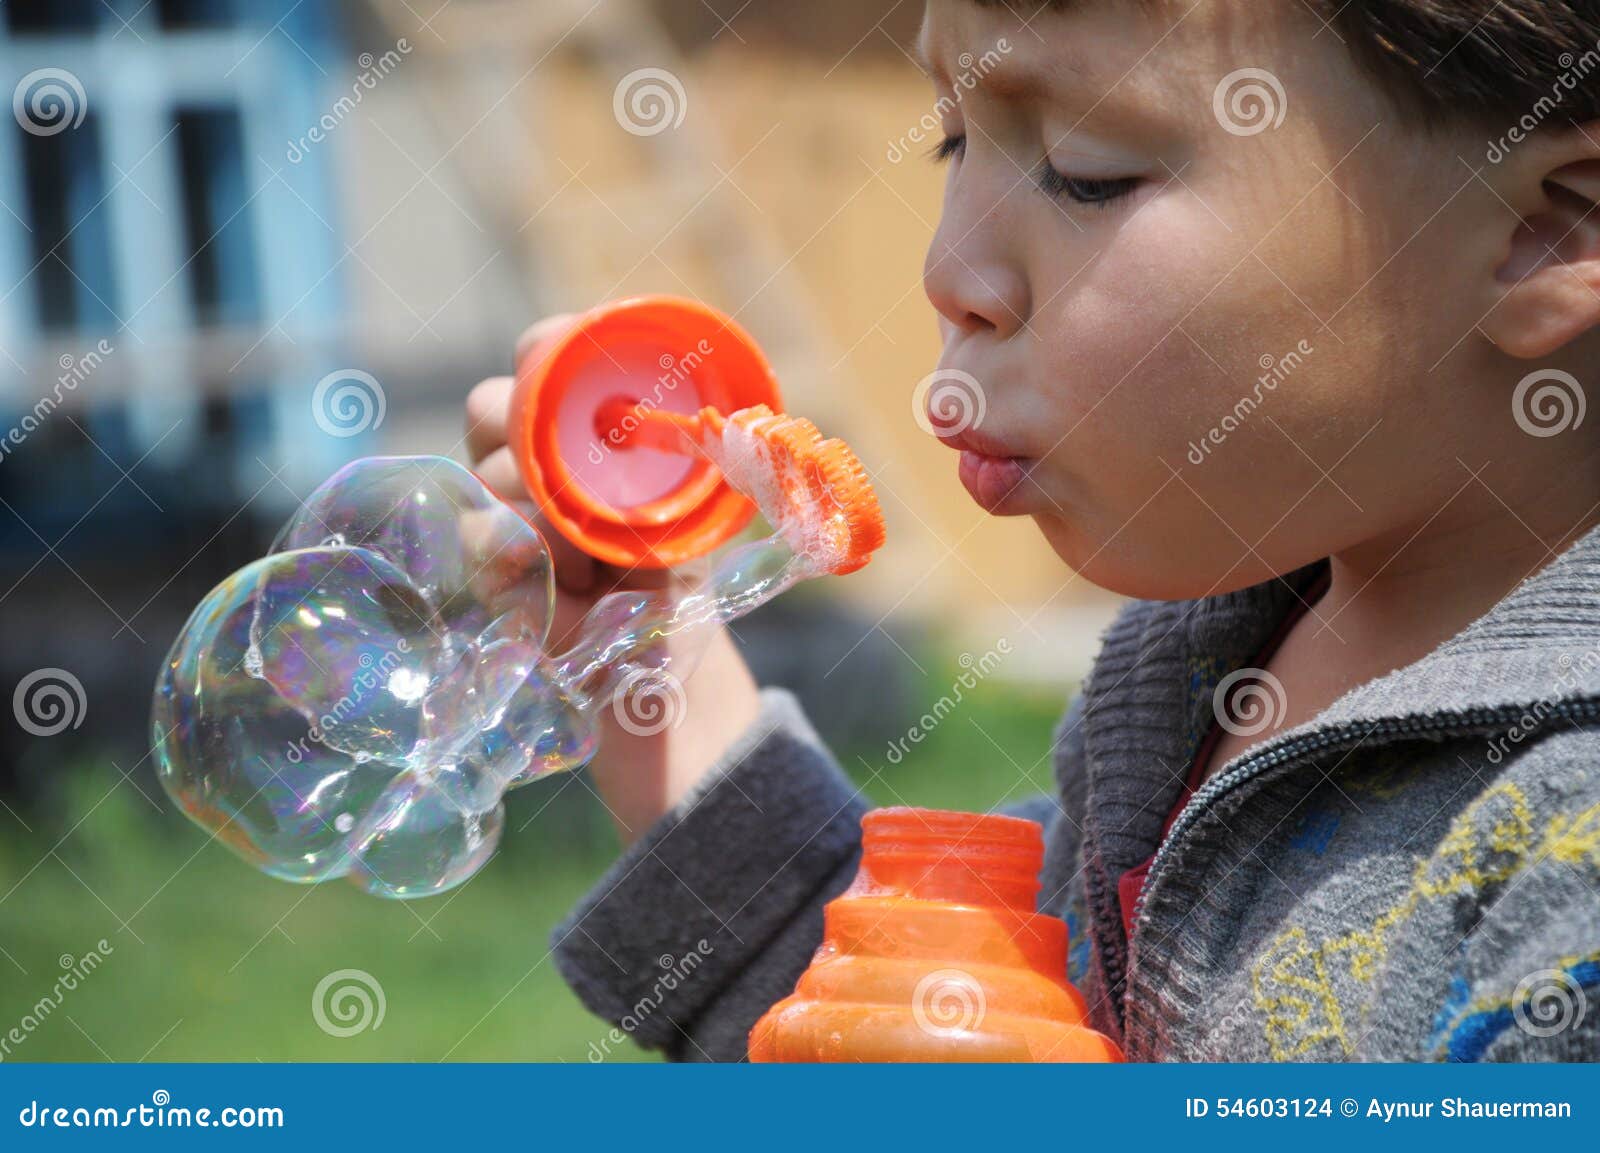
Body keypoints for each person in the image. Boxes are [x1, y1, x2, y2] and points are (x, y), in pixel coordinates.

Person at [464, 0, 1600, 1060]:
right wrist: (647, 662)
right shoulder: (1196, 680)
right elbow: (908, 1040)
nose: (949, 271)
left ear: (1544, 235)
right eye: (954, 143)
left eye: (1083, 174)